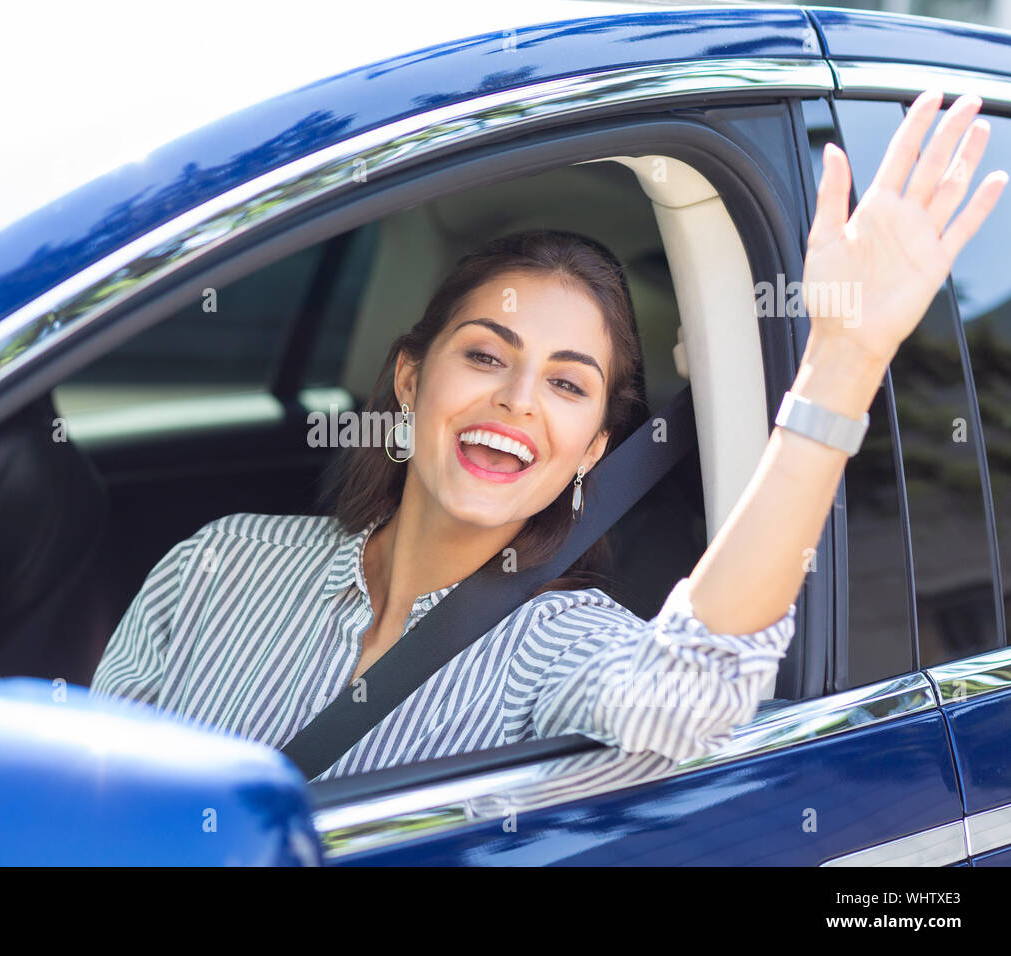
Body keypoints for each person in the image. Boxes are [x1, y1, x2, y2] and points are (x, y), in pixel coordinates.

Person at [91, 90, 1007, 783]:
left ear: (593, 450)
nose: (520, 399)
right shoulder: (220, 564)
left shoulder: (557, 644)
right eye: (487, 356)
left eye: (569, 383)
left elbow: (688, 696)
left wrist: (843, 361)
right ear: (411, 379)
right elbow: (84, 798)